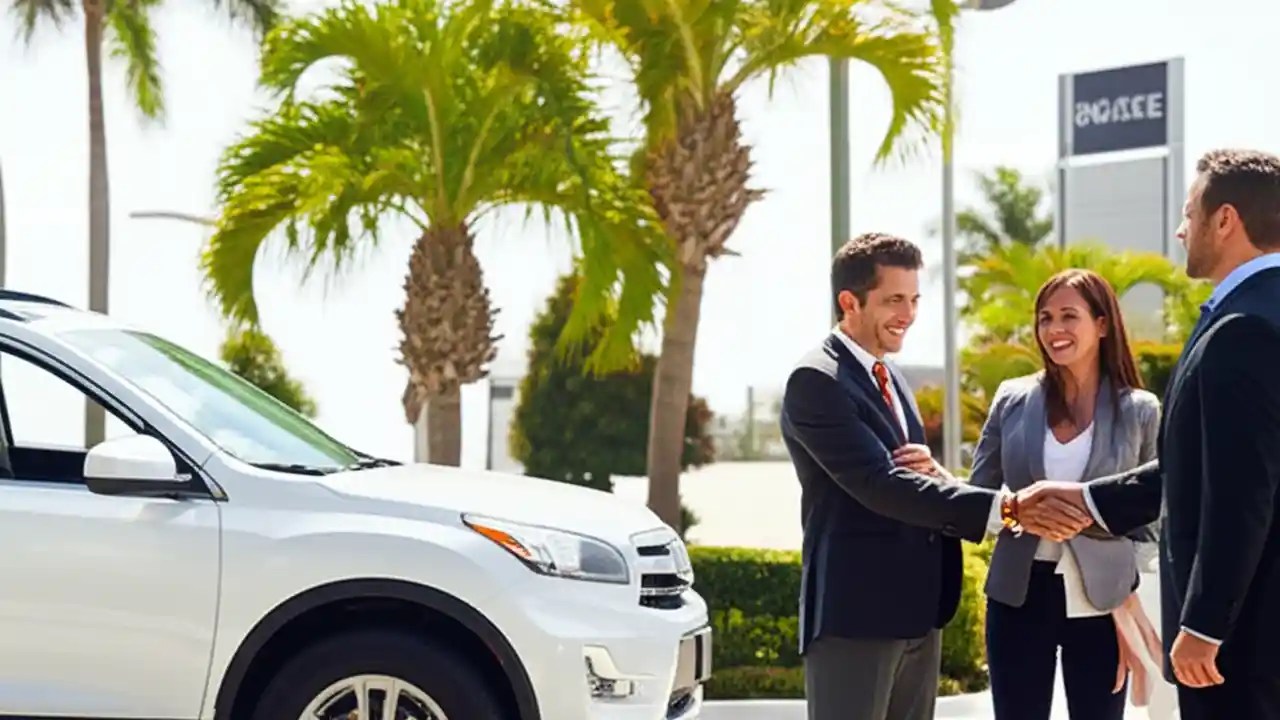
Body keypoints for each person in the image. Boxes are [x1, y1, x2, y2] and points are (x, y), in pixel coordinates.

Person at [778, 232, 1093, 720]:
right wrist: (1006, 509)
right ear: (849, 301)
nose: (908, 313)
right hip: (857, 619)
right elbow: (879, 483)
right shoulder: (816, 381)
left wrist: (948, 481)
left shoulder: (891, 376)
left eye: (914, 299)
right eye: (894, 300)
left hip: (920, 615)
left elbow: (920, 478)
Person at [1014, 148, 1280, 719]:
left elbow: (1240, 491)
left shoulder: (1243, 327)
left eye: (1190, 213)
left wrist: (1207, 624)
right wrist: (1086, 499)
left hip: (1245, 642)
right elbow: (1201, 466)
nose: (1181, 230)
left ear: (1225, 219)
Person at [925, 269, 1161, 719]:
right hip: (1018, 594)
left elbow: (1155, 516)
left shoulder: (1140, 411)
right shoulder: (1012, 399)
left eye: (1069, 316)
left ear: (1103, 324)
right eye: (1045, 318)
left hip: (1103, 602)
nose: (1054, 330)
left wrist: (1126, 589)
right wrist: (936, 475)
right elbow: (980, 496)